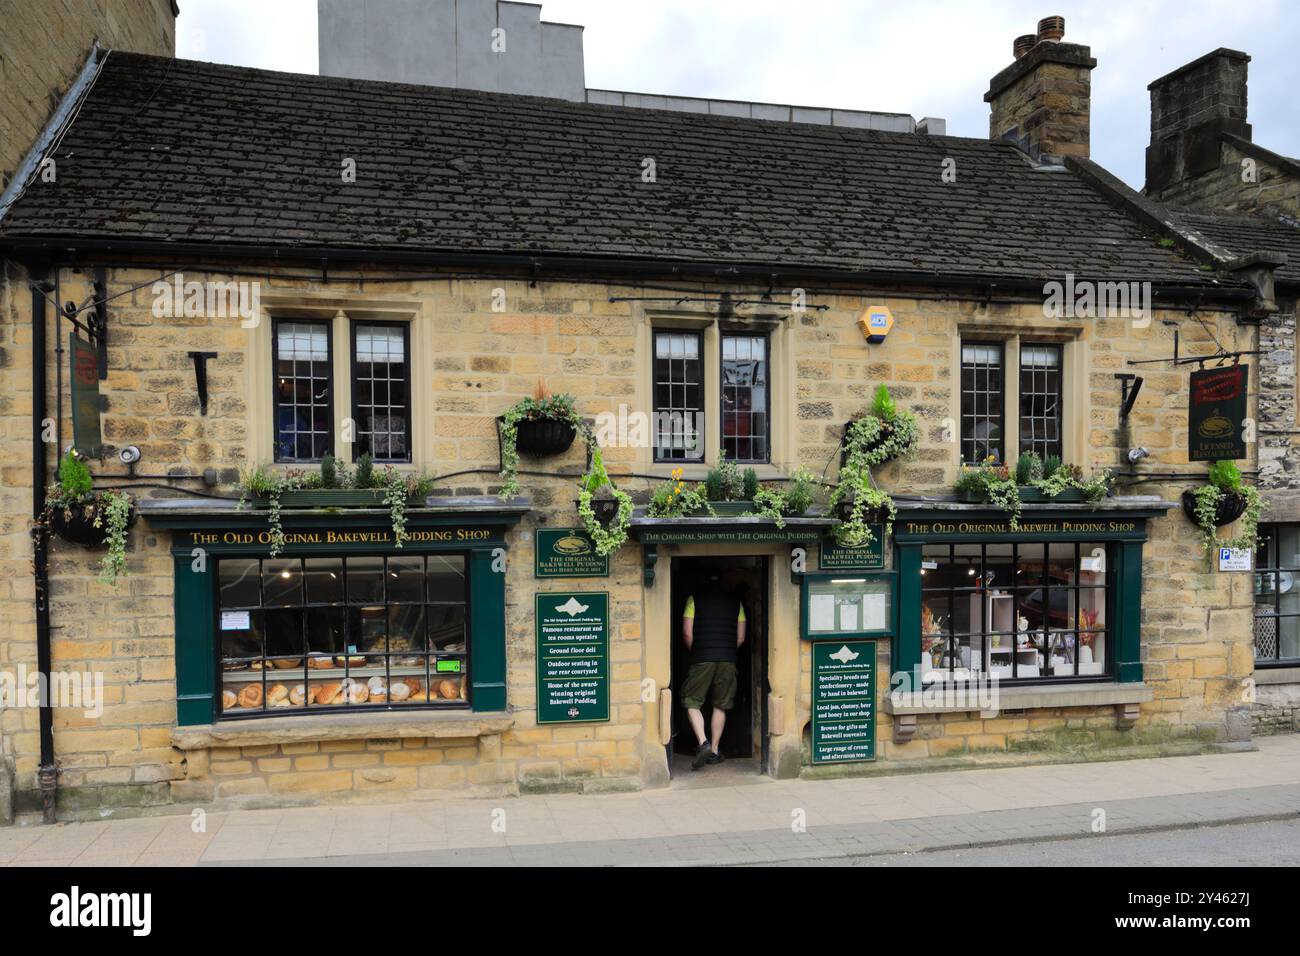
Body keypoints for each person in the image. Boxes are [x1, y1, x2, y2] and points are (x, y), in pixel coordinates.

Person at [680, 569, 746, 770]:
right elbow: (741, 637)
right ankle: (715, 751)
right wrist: (726, 652)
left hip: (702, 657)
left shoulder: (694, 599)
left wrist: (698, 652)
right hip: (728, 658)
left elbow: (687, 633)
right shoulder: (737, 602)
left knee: (691, 701)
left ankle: (703, 743)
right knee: (721, 704)